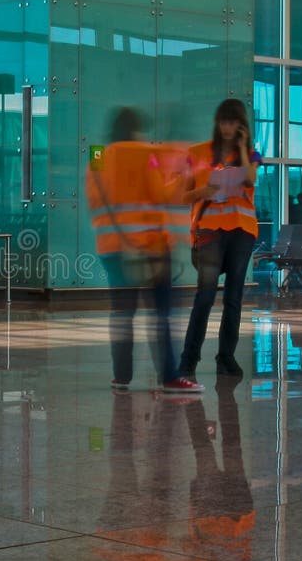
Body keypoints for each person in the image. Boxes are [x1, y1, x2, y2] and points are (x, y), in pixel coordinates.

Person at [86, 107, 202, 393]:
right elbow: (161, 194)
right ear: (137, 129)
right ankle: (170, 377)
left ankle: (121, 376)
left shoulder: (97, 157)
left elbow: (93, 197)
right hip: (151, 245)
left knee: (122, 314)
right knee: (161, 313)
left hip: (112, 247)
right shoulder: (145, 153)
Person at [178, 99, 261, 380]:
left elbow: (250, 179)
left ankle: (226, 356)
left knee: (234, 296)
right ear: (217, 122)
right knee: (205, 295)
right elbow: (182, 195)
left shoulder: (251, 154)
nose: (227, 127)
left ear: (241, 126)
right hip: (210, 230)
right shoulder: (197, 154)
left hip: (242, 230)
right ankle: (188, 360)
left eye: (233, 122)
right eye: (224, 121)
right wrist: (206, 189)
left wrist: (241, 149)